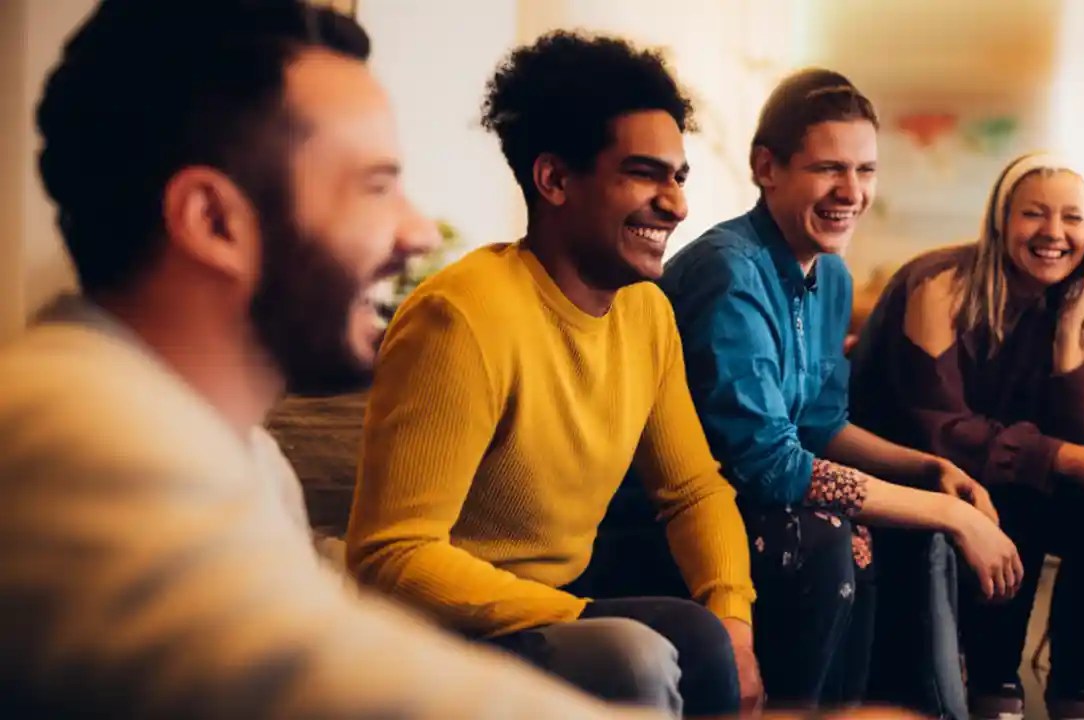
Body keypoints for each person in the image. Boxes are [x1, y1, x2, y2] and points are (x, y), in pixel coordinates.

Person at [0, 2, 668, 717]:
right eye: (373, 187)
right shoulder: (69, 428)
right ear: (213, 221)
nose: (417, 231)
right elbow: (304, 677)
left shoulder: (248, 458)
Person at [346, 31, 758, 718]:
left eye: (678, 177)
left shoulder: (646, 314)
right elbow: (393, 556)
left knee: (733, 603)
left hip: (558, 601)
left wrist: (734, 620)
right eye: (644, 173)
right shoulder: (462, 316)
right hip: (442, 631)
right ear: (556, 180)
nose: (676, 205)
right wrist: (580, 614)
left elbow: (691, 491)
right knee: (664, 643)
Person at [658, 69, 1021, 715]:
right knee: (836, 535)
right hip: (680, 516)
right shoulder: (728, 271)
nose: (851, 193)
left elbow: (821, 424)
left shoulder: (831, 276)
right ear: (766, 167)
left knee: (909, 516)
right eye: (829, 168)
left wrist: (932, 470)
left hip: (766, 502)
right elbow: (769, 465)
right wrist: (950, 513)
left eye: (865, 170)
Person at [850, 153, 1084, 720]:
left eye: (1072, 219)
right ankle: (996, 690)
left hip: (1006, 474)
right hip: (910, 471)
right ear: (1001, 221)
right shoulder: (941, 285)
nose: (1052, 233)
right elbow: (940, 429)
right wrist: (1065, 457)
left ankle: (1079, 697)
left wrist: (1072, 331)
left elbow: (1075, 444)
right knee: (1027, 493)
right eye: (1034, 215)